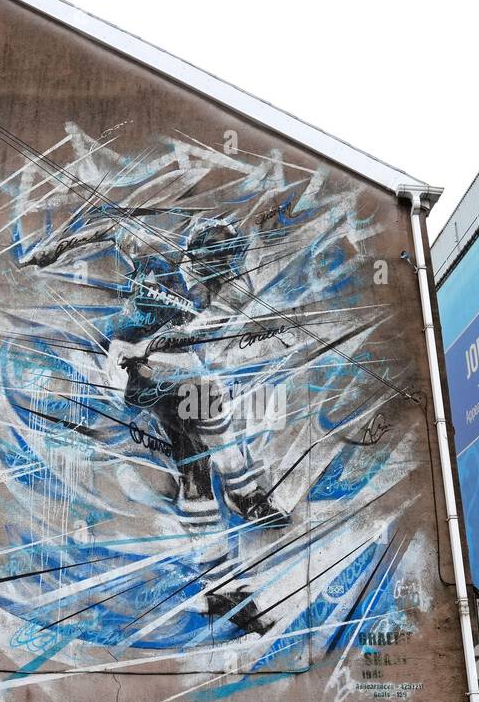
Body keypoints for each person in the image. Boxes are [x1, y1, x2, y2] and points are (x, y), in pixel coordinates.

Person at [18, 214, 288, 634]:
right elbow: (109, 226)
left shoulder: (234, 287)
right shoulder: (154, 256)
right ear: (192, 256)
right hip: (131, 366)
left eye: (224, 269)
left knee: (207, 421)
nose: (215, 279)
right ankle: (228, 554)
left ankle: (238, 508)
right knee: (197, 449)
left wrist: (160, 342)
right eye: (209, 268)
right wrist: (54, 249)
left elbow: (199, 332)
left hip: (171, 359)